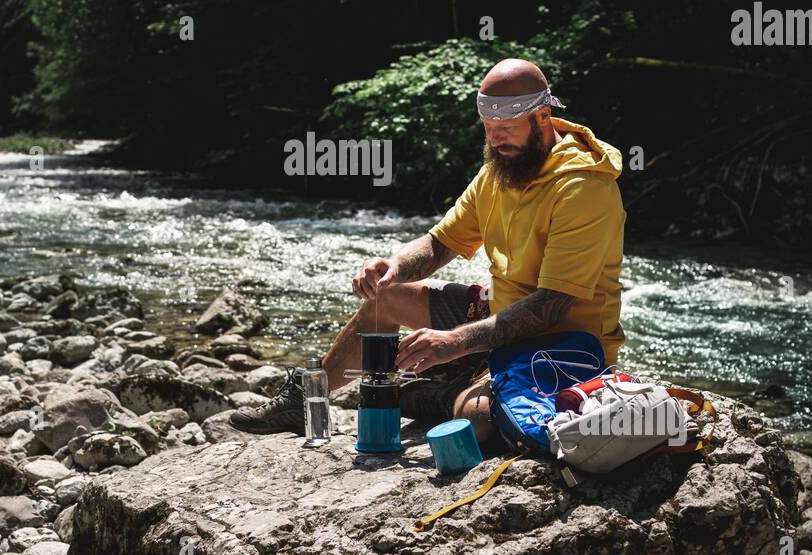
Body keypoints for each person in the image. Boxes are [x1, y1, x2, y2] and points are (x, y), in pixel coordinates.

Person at [230, 58, 626, 445]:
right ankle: (304, 400)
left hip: (563, 345)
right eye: (488, 128)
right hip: (499, 314)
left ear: (543, 116)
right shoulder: (502, 167)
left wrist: (455, 342)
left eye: (506, 128)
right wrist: (395, 265)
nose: (495, 139)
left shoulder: (582, 188)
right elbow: (440, 243)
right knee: (385, 299)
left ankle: (413, 393)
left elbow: (550, 307)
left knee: (478, 422)